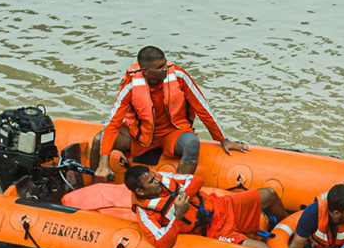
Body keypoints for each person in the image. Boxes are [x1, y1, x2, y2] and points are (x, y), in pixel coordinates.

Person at [93, 46, 248, 181]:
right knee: (98, 140)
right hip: (140, 134)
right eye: (160, 67)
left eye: (165, 64)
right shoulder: (131, 84)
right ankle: (95, 185)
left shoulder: (179, 76)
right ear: (146, 71)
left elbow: (202, 108)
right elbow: (113, 122)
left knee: (192, 144)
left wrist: (222, 139)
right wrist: (104, 161)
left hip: (173, 132)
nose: (166, 68)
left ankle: (178, 193)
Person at [124, 165, 287, 248]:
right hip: (215, 231)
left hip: (223, 206)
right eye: (151, 181)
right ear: (140, 191)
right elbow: (162, 246)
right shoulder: (146, 214)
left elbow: (196, 180)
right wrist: (178, 216)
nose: (157, 181)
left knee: (270, 194)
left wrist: (181, 195)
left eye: (155, 177)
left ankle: (289, 229)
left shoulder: (161, 178)